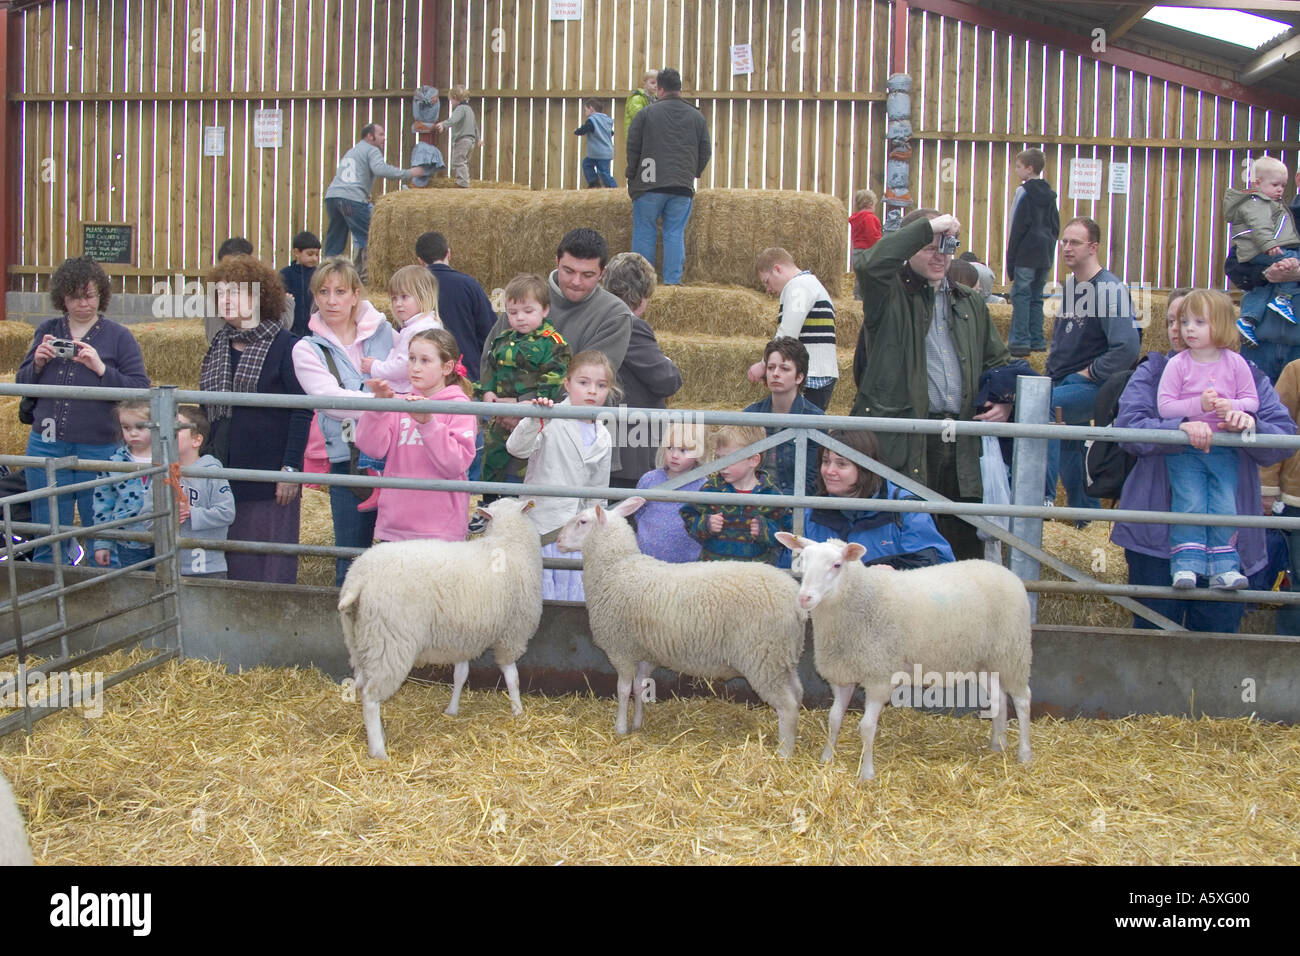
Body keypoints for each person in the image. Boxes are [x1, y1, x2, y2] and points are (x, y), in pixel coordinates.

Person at [1111, 288, 1296, 631]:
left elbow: (1284, 436)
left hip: (1228, 538)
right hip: (1156, 533)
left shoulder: (1246, 374)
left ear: (1221, 326)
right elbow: (1127, 428)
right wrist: (1179, 427)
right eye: (1174, 321)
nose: (1181, 330)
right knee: (1154, 639)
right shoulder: (1153, 372)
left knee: (1214, 642)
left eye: (1195, 321)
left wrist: (1247, 425)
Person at [849, 208, 1012, 561]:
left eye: (948, 246)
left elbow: (998, 362)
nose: (941, 256)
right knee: (906, 544)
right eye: (930, 246)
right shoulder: (888, 294)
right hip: (904, 441)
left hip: (962, 444)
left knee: (962, 544)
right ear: (909, 245)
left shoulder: (971, 303)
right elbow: (868, 264)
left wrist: (1004, 401)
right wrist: (928, 227)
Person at [17, 256, 150, 564]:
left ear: (101, 295)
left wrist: (101, 368)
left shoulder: (119, 336)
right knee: (48, 530)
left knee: (101, 531)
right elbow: (22, 383)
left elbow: (140, 390)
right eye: (75, 297)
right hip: (46, 442)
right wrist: (37, 362)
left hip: (101, 446)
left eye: (89, 296)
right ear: (62, 298)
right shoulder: (47, 329)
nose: (83, 304)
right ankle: (49, 597)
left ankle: (101, 596)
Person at [200, 255, 311, 585]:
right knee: (226, 564)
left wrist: (290, 468)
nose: (226, 301)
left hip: (268, 481)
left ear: (261, 297)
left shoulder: (287, 347)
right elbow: (205, 412)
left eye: (236, 292)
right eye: (220, 294)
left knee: (268, 568)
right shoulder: (217, 346)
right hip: (222, 478)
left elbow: (302, 410)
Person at [291, 257, 395, 585]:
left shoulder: (386, 334)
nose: (331, 300)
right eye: (323, 292)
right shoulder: (307, 349)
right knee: (351, 557)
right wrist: (384, 404)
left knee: (403, 556)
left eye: (340, 291)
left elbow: (413, 371)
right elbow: (329, 400)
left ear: (355, 295)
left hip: (398, 457)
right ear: (315, 297)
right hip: (349, 461)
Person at [1155, 290, 1259, 590]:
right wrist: (1196, 408)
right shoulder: (1178, 364)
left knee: (1224, 504)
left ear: (1223, 324)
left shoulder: (1236, 363)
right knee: (1189, 502)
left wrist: (1233, 407)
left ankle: (1224, 567)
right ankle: (1186, 565)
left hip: (1223, 448)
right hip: (1186, 451)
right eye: (1185, 321)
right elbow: (1165, 406)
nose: (1188, 329)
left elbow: (1251, 400)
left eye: (1199, 322)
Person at [1044, 216, 1140, 514]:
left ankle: (1039, 499)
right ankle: (1087, 521)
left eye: (1075, 242)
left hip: (1093, 386)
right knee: (1072, 453)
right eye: (1064, 242)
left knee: (1037, 408)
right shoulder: (1072, 285)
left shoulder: (1109, 289)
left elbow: (1127, 348)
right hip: (1065, 381)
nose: (1067, 248)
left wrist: (1090, 373)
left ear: (1093, 247)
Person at [507, 350, 616, 601]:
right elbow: (517, 449)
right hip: (542, 526)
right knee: (537, 593)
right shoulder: (551, 416)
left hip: (576, 534)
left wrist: (597, 533)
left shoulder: (604, 435)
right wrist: (535, 420)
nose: (592, 391)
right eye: (583, 382)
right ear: (567, 384)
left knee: (570, 595)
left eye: (601, 386)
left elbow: (599, 489)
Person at [357, 329, 477, 543]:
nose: (415, 367)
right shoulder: (401, 403)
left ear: (447, 367)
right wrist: (378, 407)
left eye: (425, 360)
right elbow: (371, 448)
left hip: (440, 531)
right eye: (412, 358)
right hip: (395, 527)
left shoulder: (459, 407)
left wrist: (428, 424)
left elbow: (455, 464)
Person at [479, 229, 634, 386]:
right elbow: (491, 357)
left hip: (575, 409)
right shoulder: (526, 298)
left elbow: (589, 381)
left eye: (587, 275)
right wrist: (494, 395)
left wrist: (525, 402)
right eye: (569, 271)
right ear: (557, 262)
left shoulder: (615, 314)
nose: (576, 281)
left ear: (602, 273)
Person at [800, 428, 954, 568]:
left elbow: (939, 565)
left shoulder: (904, 508)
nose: (829, 471)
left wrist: (896, 571)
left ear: (866, 467)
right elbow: (793, 569)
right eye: (825, 461)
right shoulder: (813, 511)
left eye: (841, 464)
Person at [476, 274, 570, 493]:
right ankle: (487, 504)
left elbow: (555, 380)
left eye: (528, 311)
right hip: (499, 419)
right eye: (513, 312)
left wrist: (522, 403)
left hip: (532, 418)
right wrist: (487, 392)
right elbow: (489, 366)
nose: (520, 318)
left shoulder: (553, 343)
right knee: (492, 460)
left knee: (526, 467)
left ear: (545, 310)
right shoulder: (502, 339)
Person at [597, 251, 683, 488]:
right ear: (642, 297)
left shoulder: (596, 318)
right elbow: (668, 380)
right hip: (630, 453)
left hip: (613, 446)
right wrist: (667, 361)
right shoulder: (630, 325)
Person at [626, 68, 711, 286]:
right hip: (681, 185)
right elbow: (705, 150)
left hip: (649, 181)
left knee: (645, 230)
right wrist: (693, 172)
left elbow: (633, 146)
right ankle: (673, 283)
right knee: (674, 232)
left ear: (660, 89)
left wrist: (632, 175)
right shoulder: (696, 116)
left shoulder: (646, 113)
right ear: (680, 89)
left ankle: (642, 283)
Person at [1225, 170, 1300, 383]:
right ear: (1299, 179)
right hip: (1259, 343)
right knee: (1250, 409)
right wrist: (1266, 274)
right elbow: (1234, 266)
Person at [680, 425, 791, 564]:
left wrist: (767, 530)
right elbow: (688, 515)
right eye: (719, 458)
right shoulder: (712, 489)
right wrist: (705, 524)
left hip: (753, 574)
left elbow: (789, 531)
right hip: (713, 572)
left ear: (754, 460)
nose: (722, 465)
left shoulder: (771, 495)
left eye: (730, 459)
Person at [749, 247, 837, 411]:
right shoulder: (810, 284)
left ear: (777, 269)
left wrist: (764, 364)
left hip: (810, 375)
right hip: (816, 372)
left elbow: (788, 333)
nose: (768, 289)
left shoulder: (799, 287)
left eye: (766, 281)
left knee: (797, 431)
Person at [322, 124, 420, 266]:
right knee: (371, 237)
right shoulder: (371, 150)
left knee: (335, 240)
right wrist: (409, 173)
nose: (384, 138)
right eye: (380, 134)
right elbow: (380, 169)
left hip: (332, 197)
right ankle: (368, 277)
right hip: (352, 199)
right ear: (369, 136)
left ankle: (325, 272)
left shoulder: (353, 151)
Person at [743, 338, 825, 496]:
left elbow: (812, 480)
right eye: (771, 367)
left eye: (784, 369)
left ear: (799, 377)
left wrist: (779, 504)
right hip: (751, 504)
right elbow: (736, 466)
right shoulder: (750, 415)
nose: (775, 374)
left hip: (792, 506)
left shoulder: (815, 419)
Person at [415, 231, 497, 382]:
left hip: (427, 377)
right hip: (467, 373)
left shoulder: (414, 290)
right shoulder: (469, 285)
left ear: (420, 261)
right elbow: (490, 331)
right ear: (448, 253)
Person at [1005, 147, 1060, 356]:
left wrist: (1012, 256)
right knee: (1037, 296)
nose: (1016, 170)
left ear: (1029, 169)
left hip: (1026, 253)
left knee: (1021, 295)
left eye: (1018, 166)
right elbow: (1056, 226)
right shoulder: (1050, 195)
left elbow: (1016, 225)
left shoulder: (1023, 192)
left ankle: (1019, 341)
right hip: (1044, 253)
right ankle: (1037, 340)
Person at [91, 400, 156, 570]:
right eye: (126, 428)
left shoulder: (170, 459)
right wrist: (102, 542)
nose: (133, 433)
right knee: (134, 586)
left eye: (140, 427)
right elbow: (103, 503)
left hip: (164, 537)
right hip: (128, 540)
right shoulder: (114, 463)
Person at [173, 405, 236, 579]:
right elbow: (147, 515)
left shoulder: (212, 471)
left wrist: (192, 513)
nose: (168, 434)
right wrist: (166, 514)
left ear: (196, 440)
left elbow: (227, 513)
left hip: (208, 567)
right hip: (169, 565)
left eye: (177, 429)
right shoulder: (162, 472)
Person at [633, 421, 708, 562]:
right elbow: (638, 512)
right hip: (648, 560)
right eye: (670, 447)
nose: (674, 455)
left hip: (686, 564)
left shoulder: (703, 487)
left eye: (683, 450)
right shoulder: (649, 480)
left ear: (699, 453)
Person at [362, 265, 443, 394]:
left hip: (408, 393)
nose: (398, 303)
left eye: (404, 297)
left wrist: (375, 367)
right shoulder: (426, 324)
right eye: (394, 298)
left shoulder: (418, 330)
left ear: (422, 296)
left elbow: (404, 366)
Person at [435, 87, 479, 189]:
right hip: (470, 141)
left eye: (451, 100)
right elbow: (475, 125)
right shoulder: (469, 110)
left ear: (455, 98)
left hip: (462, 140)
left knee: (458, 161)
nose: (451, 103)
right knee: (464, 162)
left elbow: (454, 120)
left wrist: (443, 124)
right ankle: (464, 181)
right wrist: (478, 138)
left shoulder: (460, 109)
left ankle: (462, 184)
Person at [280, 230, 321, 337]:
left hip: (314, 330)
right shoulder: (285, 274)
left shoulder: (319, 274)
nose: (314, 258)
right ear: (297, 252)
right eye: (310, 254)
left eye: (317, 255)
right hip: (291, 329)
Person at [574, 98, 616, 188]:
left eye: (585, 110)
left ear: (591, 108)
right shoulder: (606, 120)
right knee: (588, 164)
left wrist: (577, 131)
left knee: (603, 172)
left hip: (599, 153)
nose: (585, 113)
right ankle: (594, 183)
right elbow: (611, 133)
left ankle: (613, 187)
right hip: (604, 152)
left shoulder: (592, 120)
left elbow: (585, 129)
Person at [849, 188, 883, 300]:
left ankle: (857, 297)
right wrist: (882, 244)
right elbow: (872, 235)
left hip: (857, 251)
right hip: (867, 251)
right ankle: (864, 298)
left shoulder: (857, 218)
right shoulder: (869, 218)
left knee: (860, 276)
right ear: (870, 204)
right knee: (869, 275)